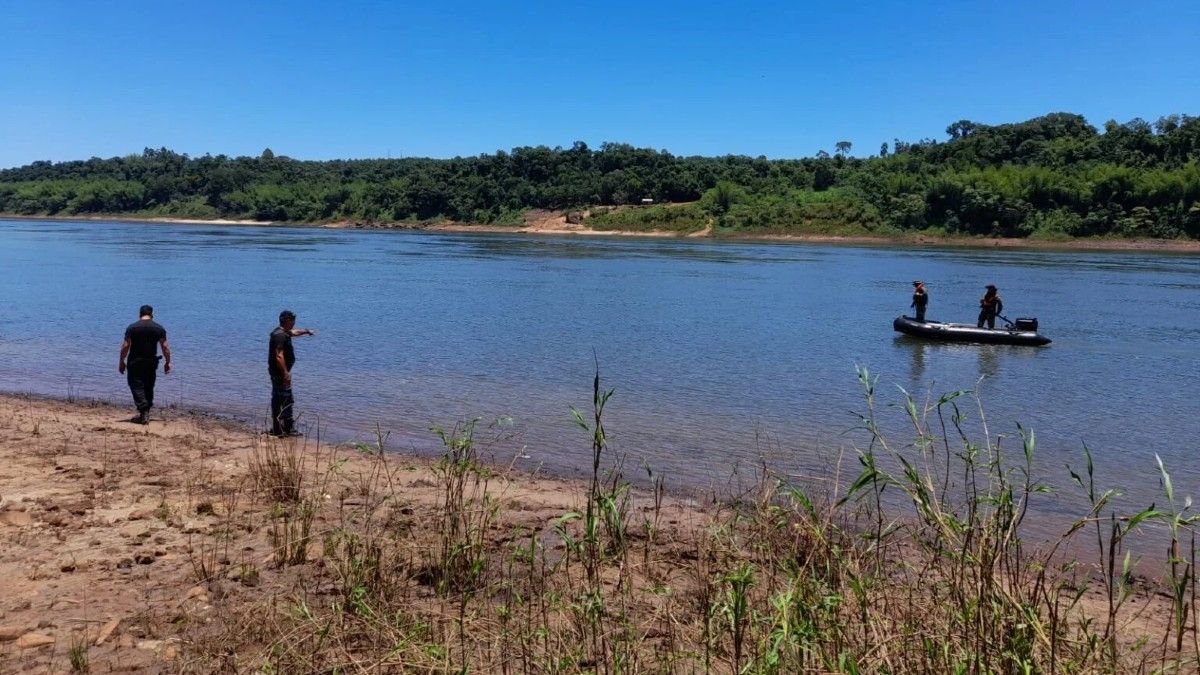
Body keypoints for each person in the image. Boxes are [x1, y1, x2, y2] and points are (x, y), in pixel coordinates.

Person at [118, 305, 171, 424]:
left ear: (140, 314)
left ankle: (143, 412)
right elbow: (165, 347)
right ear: (152, 315)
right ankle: (145, 412)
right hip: (151, 362)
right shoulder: (159, 328)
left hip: (135, 362)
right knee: (148, 386)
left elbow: (125, 346)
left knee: (136, 385)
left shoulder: (132, 328)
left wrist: (121, 361)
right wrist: (168, 362)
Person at [268, 310, 316, 437]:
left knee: (278, 399)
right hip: (280, 373)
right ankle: (287, 429)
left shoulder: (282, 332)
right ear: (287, 321)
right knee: (286, 399)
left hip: (277, 372)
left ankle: (277, 428)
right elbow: (279, 355)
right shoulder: (280, 335)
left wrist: (306, 331)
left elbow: (294, 333)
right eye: (293, 321)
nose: (294, 323)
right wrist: (285, 373)